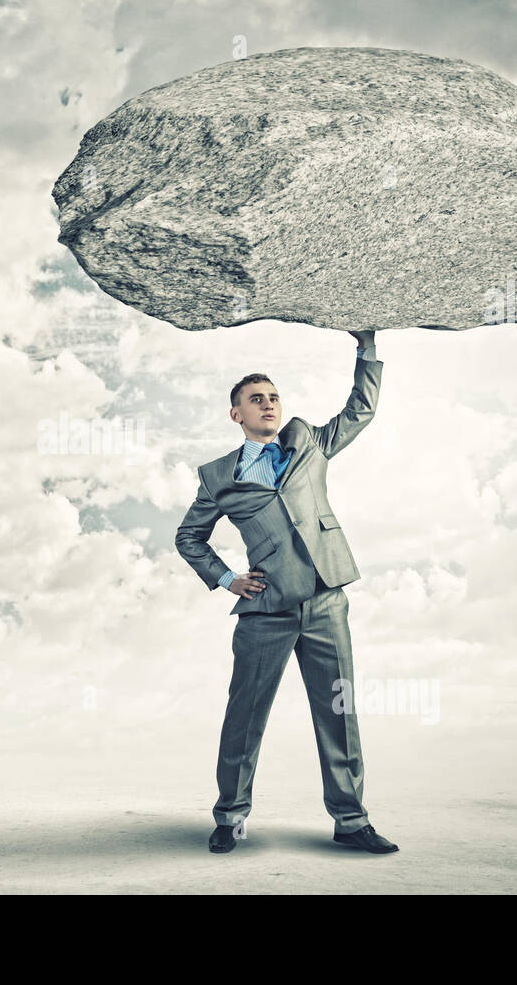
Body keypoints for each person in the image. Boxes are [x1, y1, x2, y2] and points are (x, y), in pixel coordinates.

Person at [174, 329, 399, 856]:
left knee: (338, 712)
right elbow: (188, 536)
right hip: (266, 608)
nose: (269, 405)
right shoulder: (217, 476)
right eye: (257, 399)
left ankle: (351, 821)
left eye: (274, 397)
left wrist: (366, 349)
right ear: (237, 414)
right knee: (245, 713)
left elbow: (360, 411)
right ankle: (230, 818)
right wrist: (228, 578)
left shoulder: (309, 442)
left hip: (326, 600)